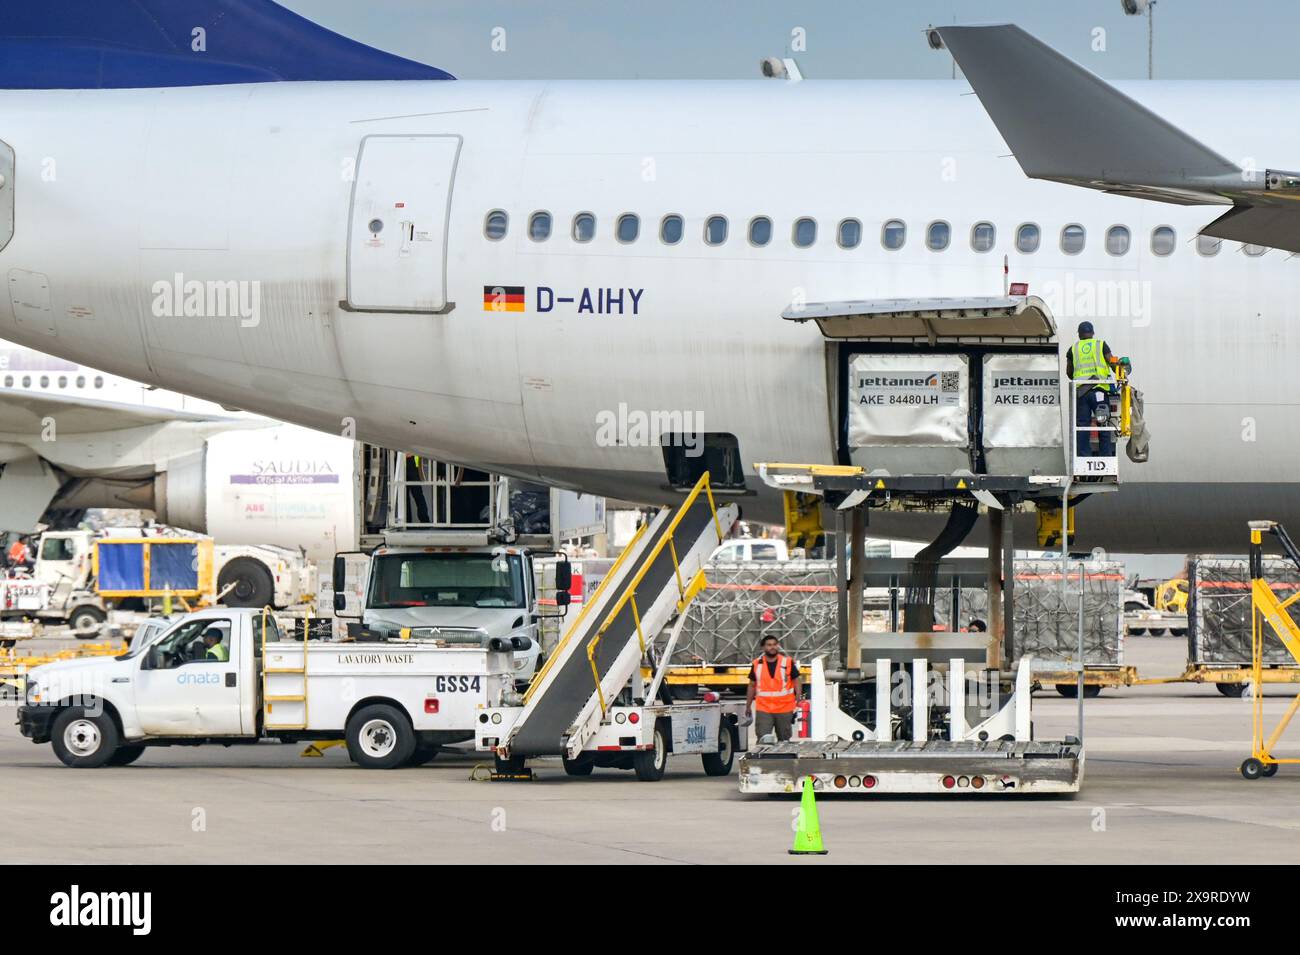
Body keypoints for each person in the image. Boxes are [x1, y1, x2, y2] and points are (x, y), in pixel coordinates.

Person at [1065, 321, 1118, 458]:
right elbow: (1112, 361)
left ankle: (1083, 458)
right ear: (1093, 333)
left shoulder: (1073, 349)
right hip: (1099, 391)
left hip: (1082, 393)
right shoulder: (1101, 344)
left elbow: (1069, 373)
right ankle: (1105, 457)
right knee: (1104, 424)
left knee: (1082, 427)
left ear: (1079, 334)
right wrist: (1119, 369)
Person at [745, 635, 801, 742]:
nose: (772, 647)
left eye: (775, 644)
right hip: (764, 709)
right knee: (763, 739)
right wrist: (748, 706)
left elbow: (796, 680)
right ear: (763, 648)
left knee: (784, 740)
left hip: (784, 708)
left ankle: (784, 759)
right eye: (769, 645)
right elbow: (752, 685)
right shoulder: (757, 664)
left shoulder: (787, 662)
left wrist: (798, 696)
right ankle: (762, 759)